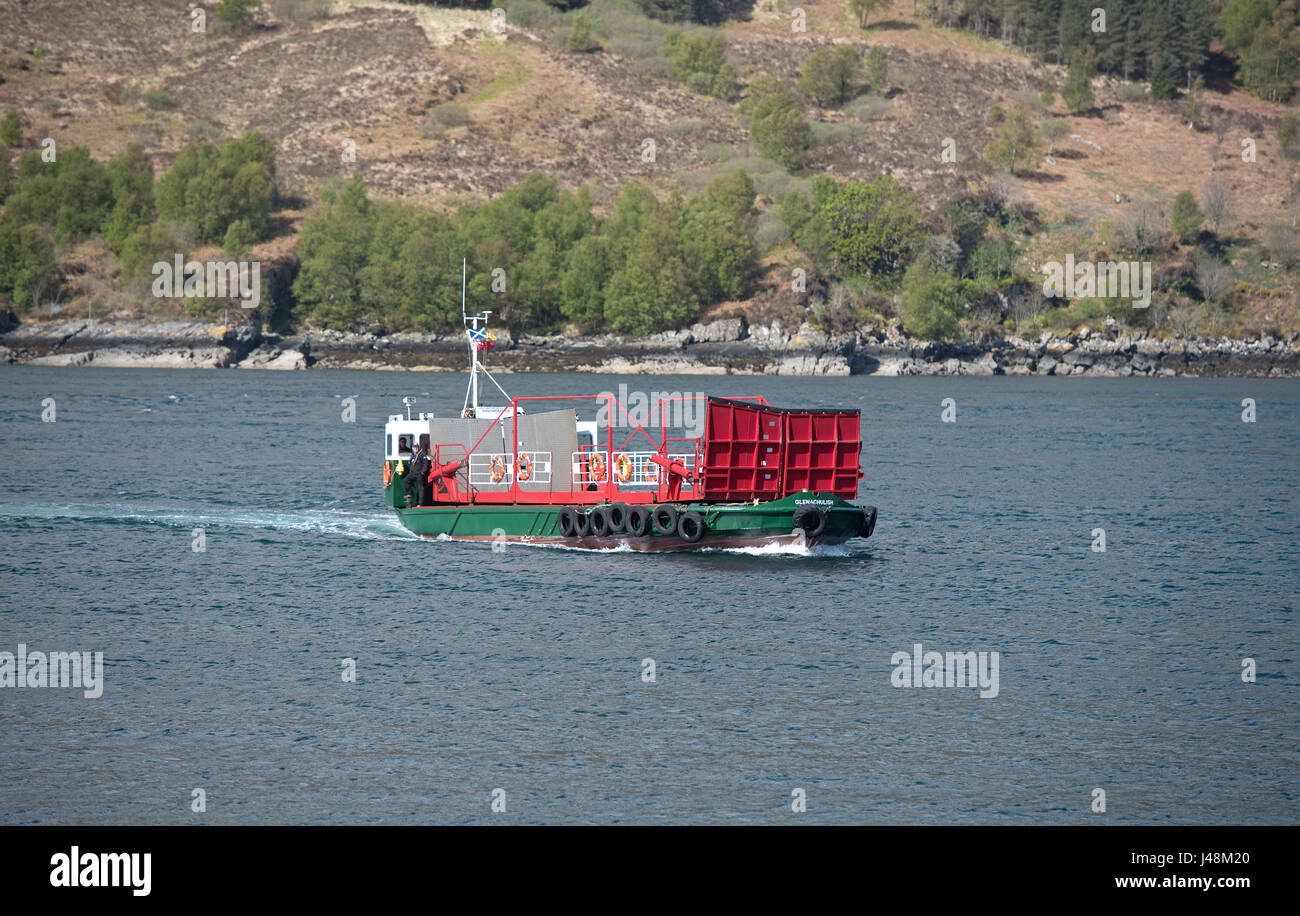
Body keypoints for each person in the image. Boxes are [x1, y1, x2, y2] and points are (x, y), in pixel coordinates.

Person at [403, 438, 431, 507]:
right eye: (414, 447)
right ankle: (410, 493)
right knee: (405, 481)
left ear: (418, 447)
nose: (415, 448)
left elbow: (426, 463)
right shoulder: (413, 455)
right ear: (412, 448)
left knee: (421, 489)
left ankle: (420, 504)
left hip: (419, 474)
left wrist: (422, 473)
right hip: (412, 473)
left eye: (416, 447)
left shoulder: (422, 454)